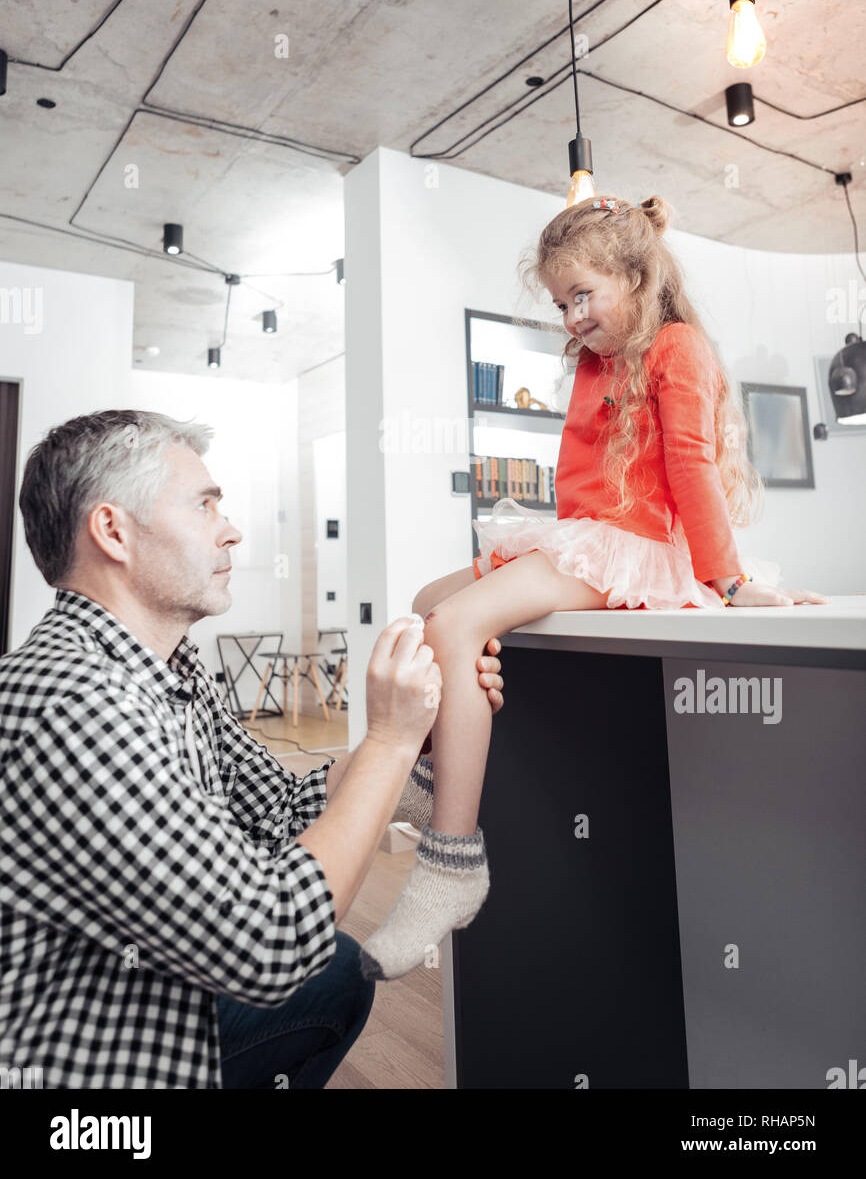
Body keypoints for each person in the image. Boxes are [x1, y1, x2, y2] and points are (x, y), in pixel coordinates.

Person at [359, 193, 830, 983]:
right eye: (560, 302)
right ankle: (439, 771)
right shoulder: (592, 361)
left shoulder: (676, 346)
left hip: (633, 549)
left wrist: (731, 580)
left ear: (637, 278)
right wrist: (531, 558)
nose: (571, 316)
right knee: (428, 604)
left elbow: (690, 465)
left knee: (459, 622)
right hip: (581, 539)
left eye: (583, 295)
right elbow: (580, 488)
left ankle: (450, 860)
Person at [0, 409, 504, 1089]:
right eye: (205, 505)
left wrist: (423, 743)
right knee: (309, 963)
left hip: (155, 989)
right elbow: (268, 942)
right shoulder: (76, 704)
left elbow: (284, 804)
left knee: (336, 977)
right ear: (113, 531)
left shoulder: (171, 669)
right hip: (84, 1072)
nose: (232, 529)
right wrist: (386, 740)